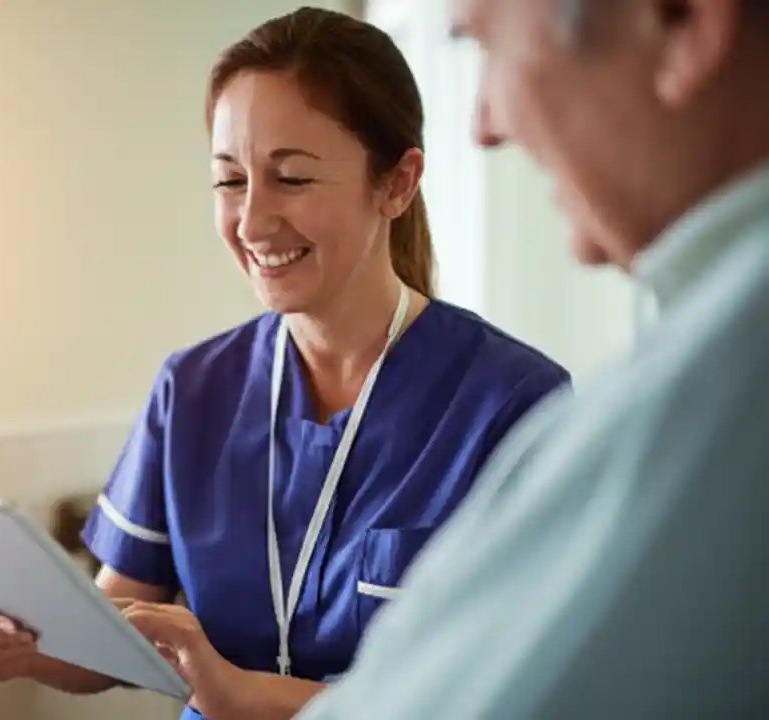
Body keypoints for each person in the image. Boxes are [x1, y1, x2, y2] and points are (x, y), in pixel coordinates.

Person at [0, 8, 569, 720]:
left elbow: (510, 691)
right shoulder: (193, 390)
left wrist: (252, 695)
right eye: (230, 182)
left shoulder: (514, 408)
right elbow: (114, 633)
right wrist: (17, 639)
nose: (252, 222)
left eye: (291, 178)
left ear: (397, 183)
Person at [292, 0, 769, 717]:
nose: (485, 124)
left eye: (487, 46)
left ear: (683, 27)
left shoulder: (712, 398)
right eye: (228, 178)